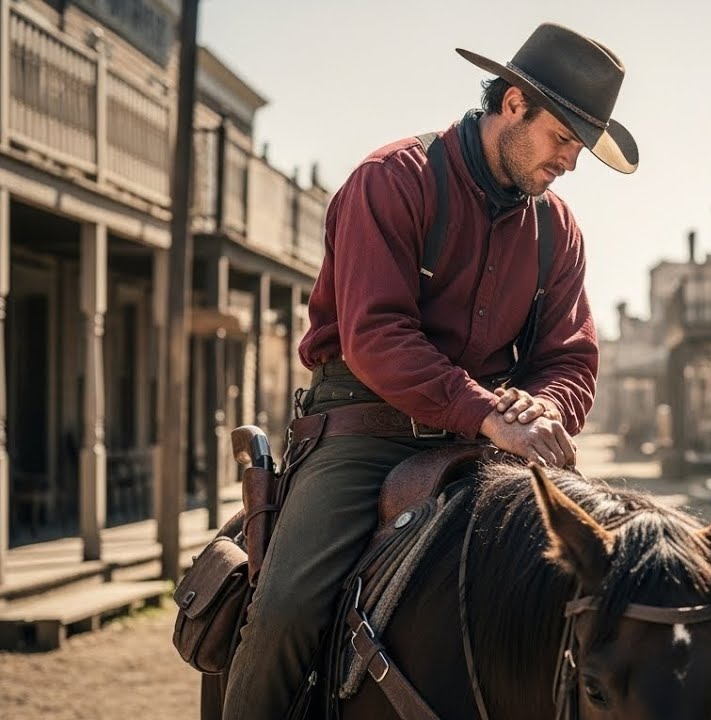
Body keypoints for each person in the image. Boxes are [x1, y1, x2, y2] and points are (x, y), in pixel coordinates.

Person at [222, 23, 639, 719]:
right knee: (286, 611)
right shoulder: (392, 179)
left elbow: (569, 357)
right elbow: (377, 337)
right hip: (365, 430)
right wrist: (489, 412)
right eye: (564, 138)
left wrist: (542, 409)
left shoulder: (558, 228)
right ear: (513, 104)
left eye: (580, 147)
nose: (571, 161)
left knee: (594, 595)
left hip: (493, 445)